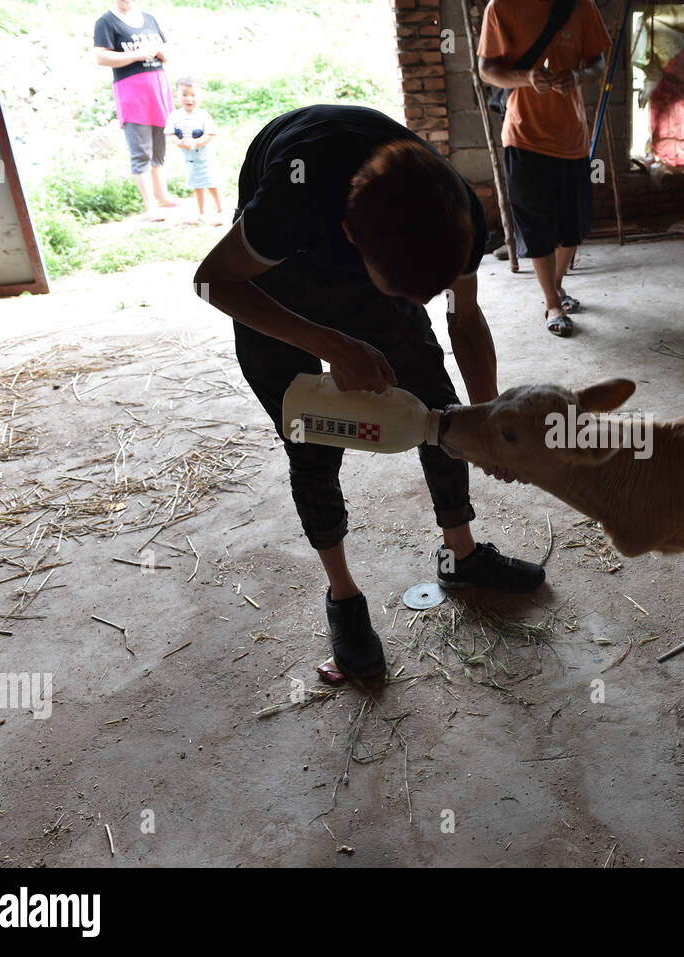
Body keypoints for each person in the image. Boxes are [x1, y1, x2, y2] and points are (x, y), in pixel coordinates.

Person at [193, 105, 545, 682]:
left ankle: (462, 555)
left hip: (379, 250)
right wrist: (329, 342)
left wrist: (488, 420)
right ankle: (345, 599)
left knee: (440, 411)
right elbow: (212, 280)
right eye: (412, 296)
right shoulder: (291, 200)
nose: (425, 305)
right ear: (352, 237)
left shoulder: (454, 212)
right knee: (310, 438)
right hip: (268, 286)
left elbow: (464, 315)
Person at [478, 0, 611, 337]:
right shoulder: (502, 8)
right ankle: (552, 302)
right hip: (524, 136)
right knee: (537, 224)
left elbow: (598, 62)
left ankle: (557, 285)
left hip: (572, 138)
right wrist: (525, 77)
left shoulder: (581, 6)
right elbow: (487, 68)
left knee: (572, 225)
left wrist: (579, 76)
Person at [93, 0, 177, 221]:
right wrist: (137, 55)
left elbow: (167, 53)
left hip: (158, 87)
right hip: (132, 91)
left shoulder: (149, 18)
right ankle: (150, 206)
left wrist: (159, 51)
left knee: (159, 147)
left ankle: (163, 196)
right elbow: (101, 56)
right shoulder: (106, 21)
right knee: (141, 150)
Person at [167, 77, 223, 224]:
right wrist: (180, 143)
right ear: (176, 95)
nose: (189, 99)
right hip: (189, 160)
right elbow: (171, 134)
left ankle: (220, 210)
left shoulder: (203, 115)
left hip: (205, 158)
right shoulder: (174, 116)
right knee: (197, 185)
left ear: (199, 96)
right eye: (184, 95)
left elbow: (211, 134)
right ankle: (201, 213)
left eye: (193, 95)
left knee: (212, 183)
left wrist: (196, 143)